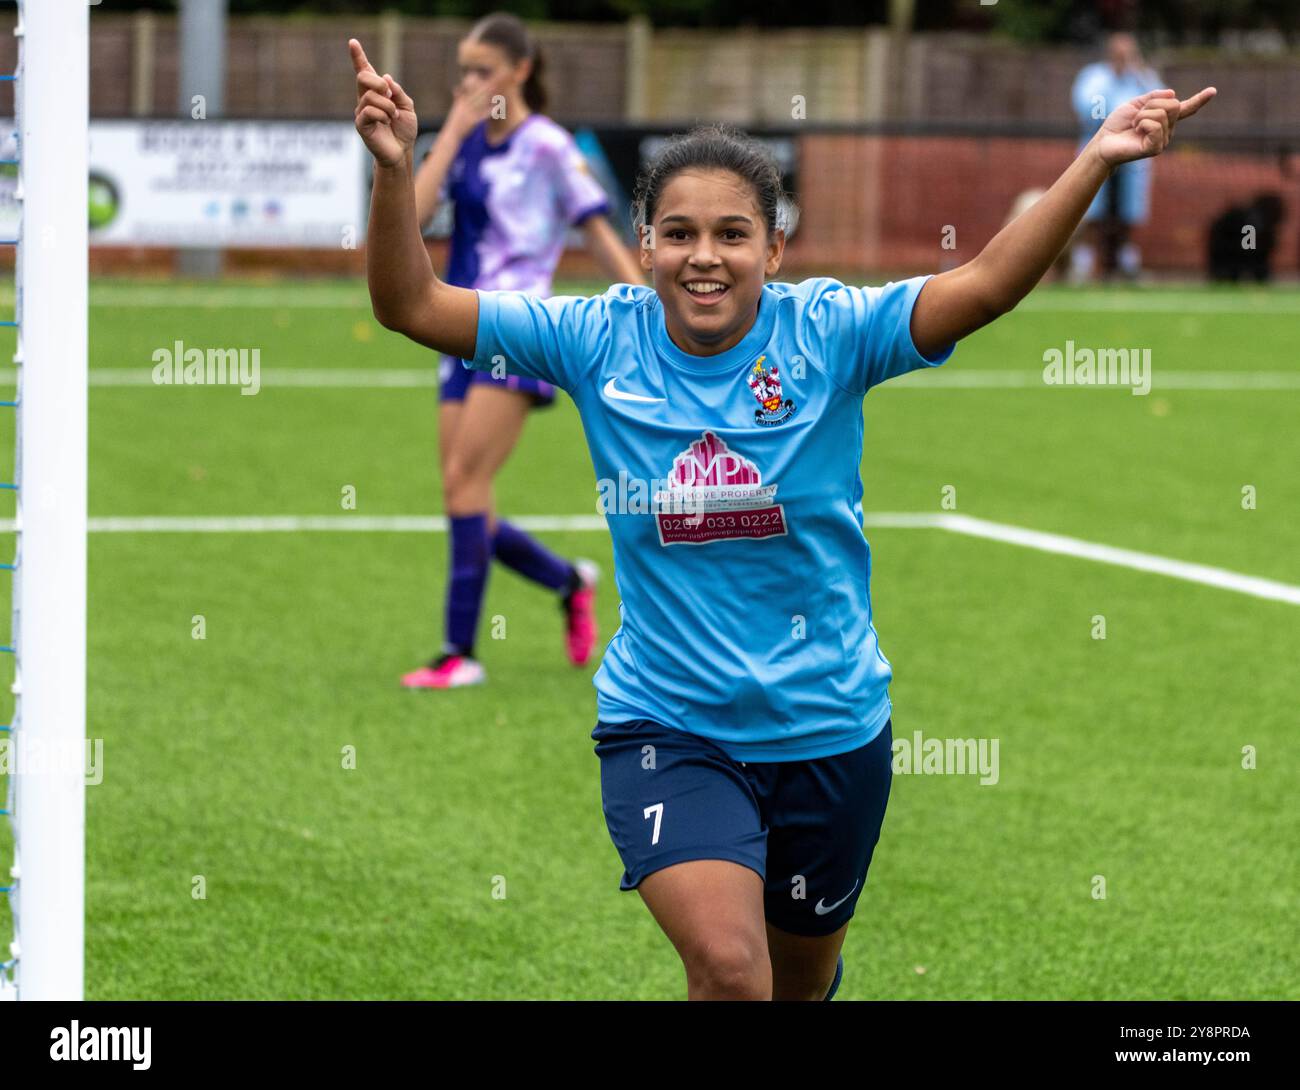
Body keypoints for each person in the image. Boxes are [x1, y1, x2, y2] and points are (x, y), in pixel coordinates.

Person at [351, 34, 1214, 1000]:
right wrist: (394, 174)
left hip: (831, 730)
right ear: (645, 246)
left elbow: (983, 286)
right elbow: (410, 303)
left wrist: (1095, 157)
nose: (703, 257)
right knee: (730, 972)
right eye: (677, 233)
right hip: (667, 727)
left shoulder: (830, 331)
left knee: (798, 988)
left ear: (775, 246)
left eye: (731, 234)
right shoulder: (596, 338)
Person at [399, 13, 644, 689]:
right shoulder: (470, 141)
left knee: (467, 486)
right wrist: (448, 129)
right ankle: (567, 580)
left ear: (521, 70)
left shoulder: (547, 147)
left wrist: (654, 310)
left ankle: (459, 654)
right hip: (459, 326)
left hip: (521, 332)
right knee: (462, 493)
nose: (471, 83)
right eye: (464, 71)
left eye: (484, 70)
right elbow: (410, 219)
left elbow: (597, 231)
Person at [1070, 32, 1165, 282]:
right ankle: (1085, 263)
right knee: (1091, 207)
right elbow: (1086, 109)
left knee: (1129, 209)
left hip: (1135, 155)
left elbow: (1161, 103)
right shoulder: (1094, 76)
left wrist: (1137, 72)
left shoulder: (1144, 77)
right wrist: (1115, 76)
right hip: (1098, 149)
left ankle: (1126, 262)